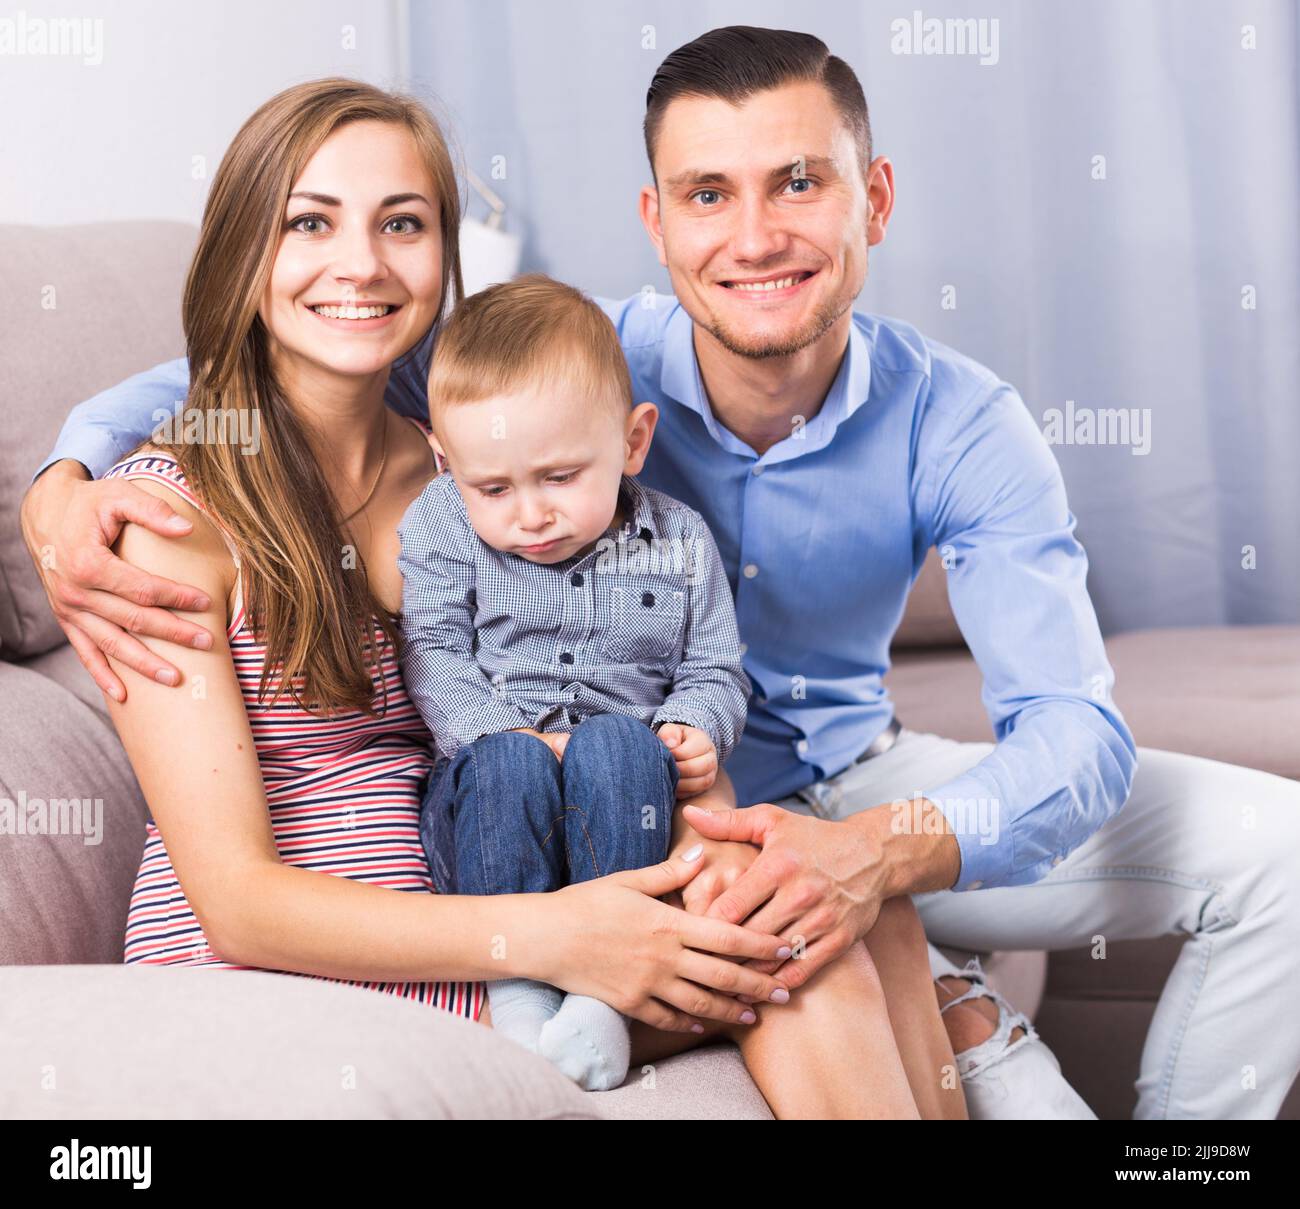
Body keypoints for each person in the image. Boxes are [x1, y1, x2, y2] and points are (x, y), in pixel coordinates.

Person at [23, 74, 969, 1119]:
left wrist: (701, 827)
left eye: (403, 223)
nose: (363, 264)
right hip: (312, 967)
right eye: (310, 223)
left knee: (852, 908)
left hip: (489, 892)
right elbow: (238, 905)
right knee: (794, 955)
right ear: (246, 250)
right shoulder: (164, 521)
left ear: (446, 256)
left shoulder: (467, 470)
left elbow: (592, 681)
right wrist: (557, 934)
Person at [398, 273, 750, 1089]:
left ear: (632, 442)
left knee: (625, 746)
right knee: (509, 765)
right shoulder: (442, 521)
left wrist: (699, 724)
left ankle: (601, 1002)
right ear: (447, 461)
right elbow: (435, 651)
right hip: (495, 788)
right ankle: (518, 1003)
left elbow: (714, 666)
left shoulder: (682, 541)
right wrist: (504, 731)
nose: (530, 514)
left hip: (624, 791)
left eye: (559, 477)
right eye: (494, 487)